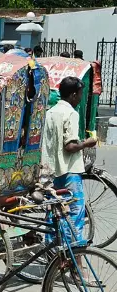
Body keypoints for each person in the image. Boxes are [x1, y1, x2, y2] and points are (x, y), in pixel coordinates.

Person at [41, 77, 97, 251]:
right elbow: (70, 146)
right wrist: (88, 142)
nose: (81, 97)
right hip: (69, 172)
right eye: (80, 94)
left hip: (52, 171)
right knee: (74, 216)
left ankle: (52, 254)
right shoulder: (71, 113)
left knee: (53, 214)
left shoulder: (51, 111)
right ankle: (74, 259)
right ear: (73, 95)